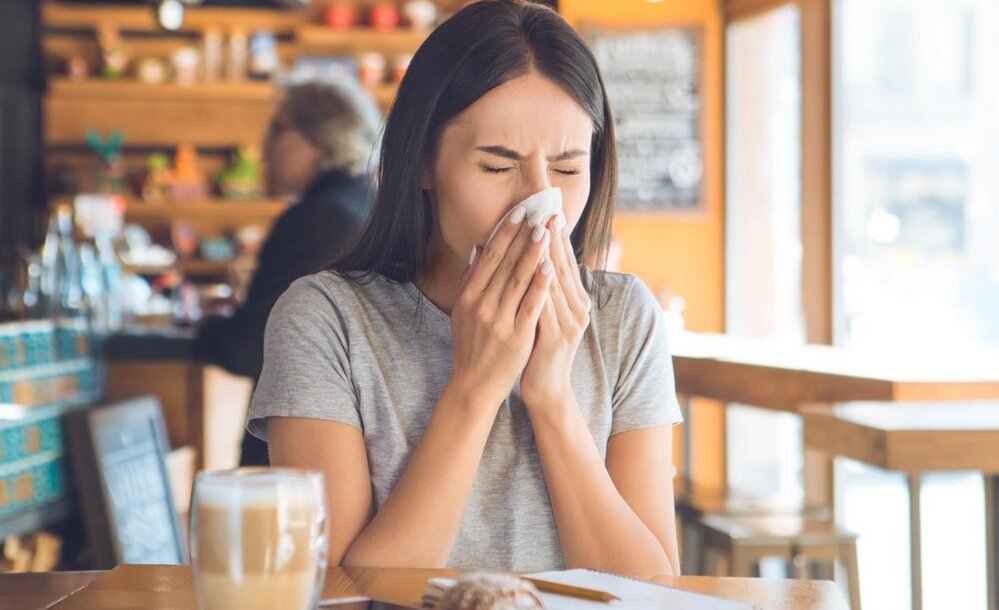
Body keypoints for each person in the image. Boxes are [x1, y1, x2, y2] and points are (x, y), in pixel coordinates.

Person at [248, 0, 683, 575]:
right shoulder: (325, 321)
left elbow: (650, 591)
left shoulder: (624, 318)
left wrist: (552, 397)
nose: (538, 203)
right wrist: (474, 389)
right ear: (423, 163)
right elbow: (343, 594)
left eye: (568, 169)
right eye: (496, 167)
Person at [194, 78, 380, 466]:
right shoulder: (368, 203)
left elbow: (249, 348)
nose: (264, 146)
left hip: (298, 452)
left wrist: (207, 325)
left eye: (277, 129)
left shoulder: (318, 219)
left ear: (320, 138)